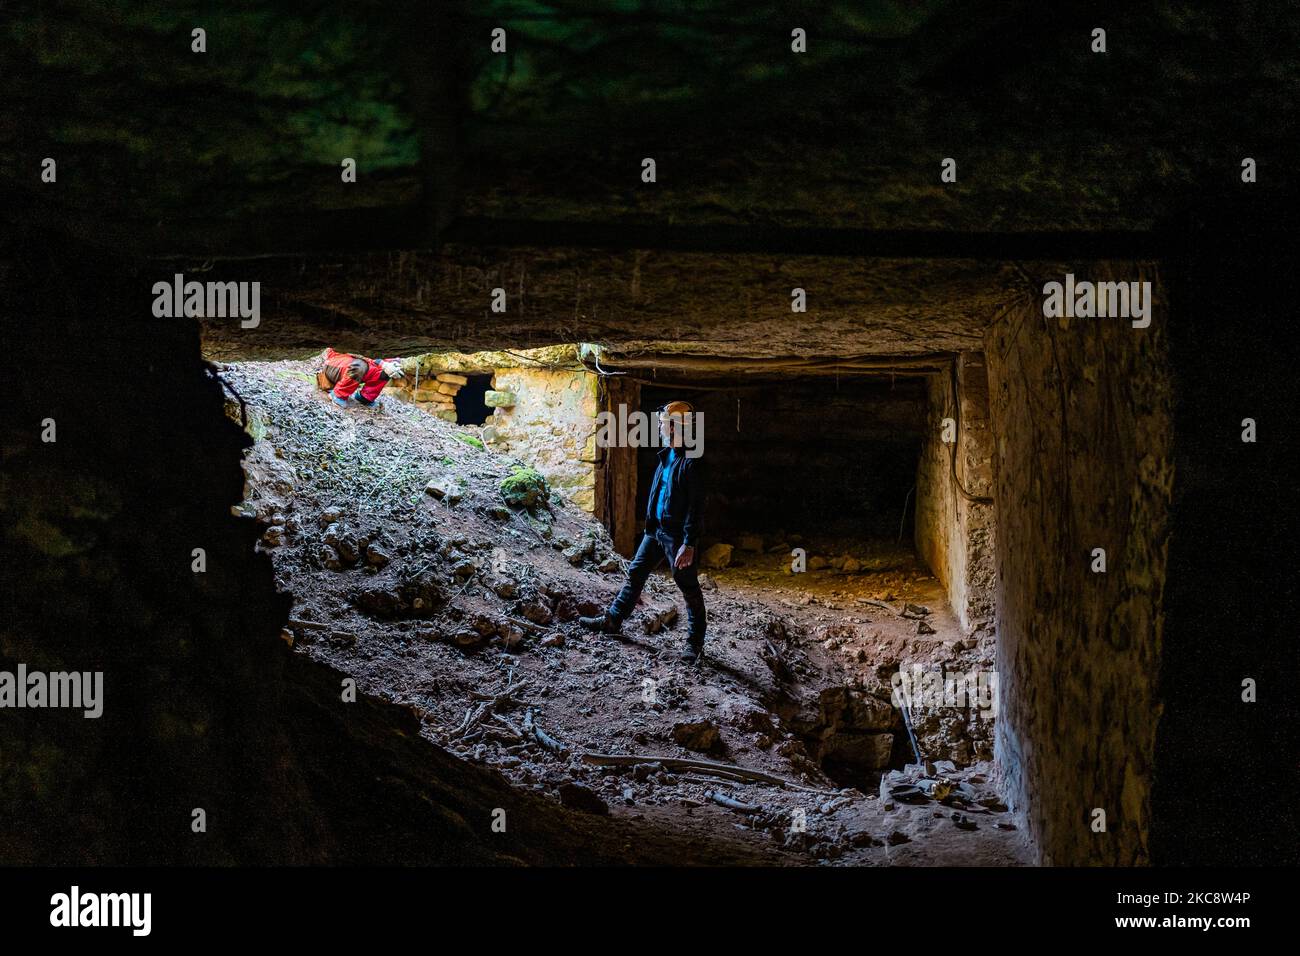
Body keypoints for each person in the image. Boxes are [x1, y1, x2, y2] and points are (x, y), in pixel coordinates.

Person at [581, 400, 707, 662]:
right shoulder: (667, 456)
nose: (660, 428)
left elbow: (696, 508)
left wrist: (689, 543)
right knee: (636, 572)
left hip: (675, 537)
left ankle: (694, 645)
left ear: (675, 427)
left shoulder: (691, 461)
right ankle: (613, 620)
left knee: (688, 587)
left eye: (663, 424)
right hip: (656, 531)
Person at [317, 348, 404, 407]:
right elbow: (355, 352)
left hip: (360, 364)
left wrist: (394, 363)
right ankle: (338, 395)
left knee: (388, 370)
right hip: (336, 363)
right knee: (360, 365)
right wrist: (382, 363)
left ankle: (365, 397)